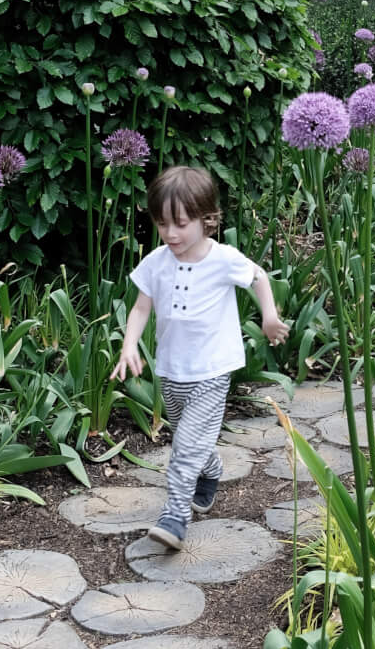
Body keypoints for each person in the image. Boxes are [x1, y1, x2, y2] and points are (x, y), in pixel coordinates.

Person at [111, 163, 288, 550]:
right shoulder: (157, 262)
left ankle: (175, 517)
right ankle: (211, 469)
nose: (171, 233)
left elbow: (258, 276)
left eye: (181, 223)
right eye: (162, 224)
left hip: (212, 371)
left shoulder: (222, 258)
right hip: (172, 372)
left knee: (184, 448)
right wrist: (128, 345)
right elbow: (142, 308)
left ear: (207, 219)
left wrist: (269, 315)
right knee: (188, 438)